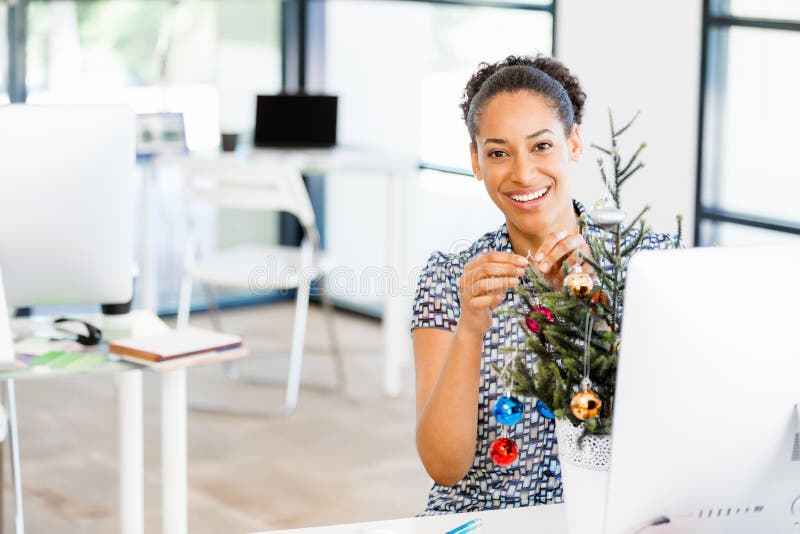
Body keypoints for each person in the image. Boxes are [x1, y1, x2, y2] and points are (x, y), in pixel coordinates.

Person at [411, 55, 676, 514]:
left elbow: (673, 428)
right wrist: (472, 327)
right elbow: (444, 468)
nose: (523, 173)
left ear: (573, 143)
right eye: (498, 152)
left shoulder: (648, 261)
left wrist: (593, 305)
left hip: (612, 515)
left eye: (540, 146)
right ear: (476, 161)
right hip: (482, 520)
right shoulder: (450, 277)